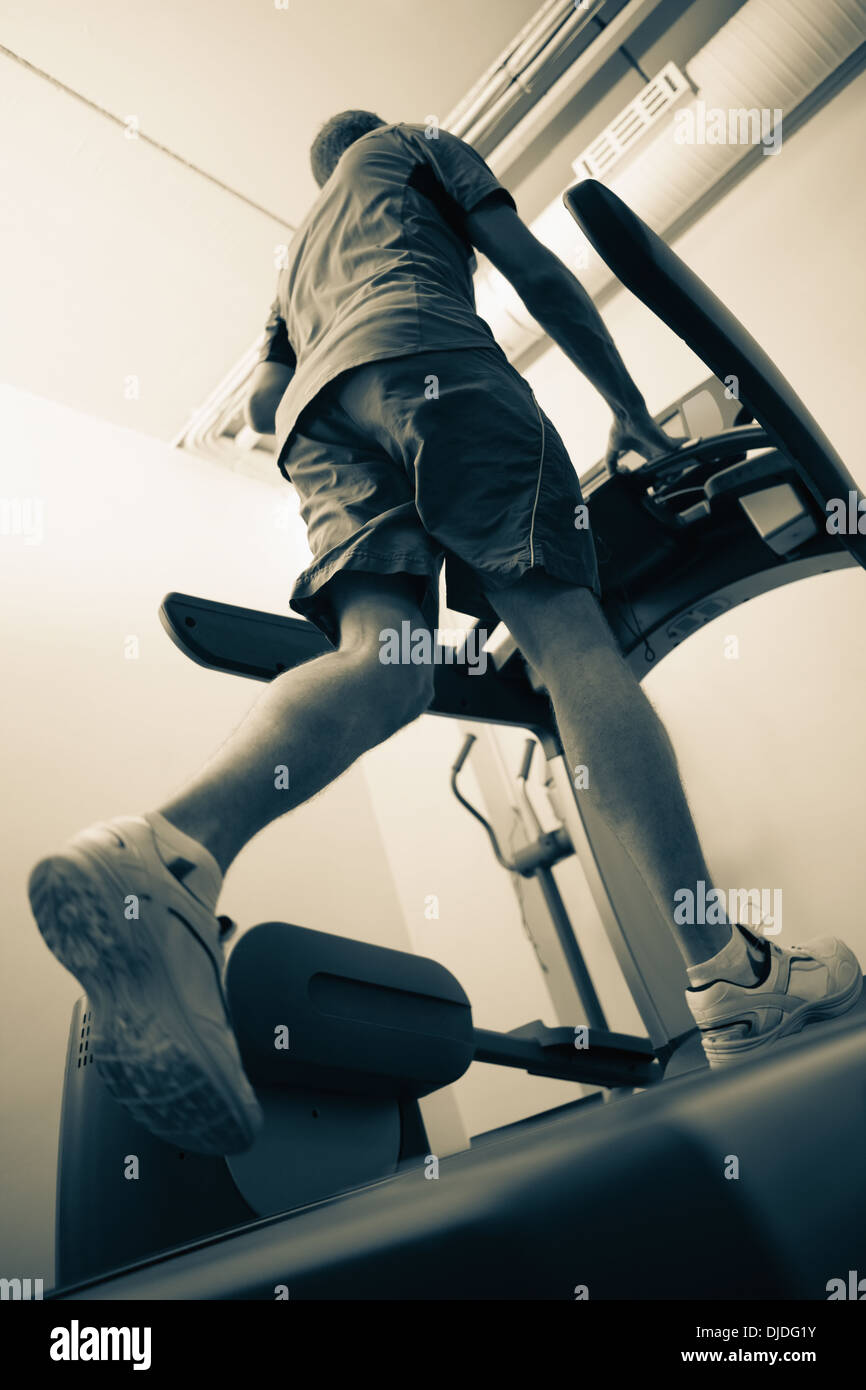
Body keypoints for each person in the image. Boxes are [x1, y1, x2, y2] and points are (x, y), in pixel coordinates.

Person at [29, 111, 862, 1156]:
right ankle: (729, 978)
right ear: (367, 139)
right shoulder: (413, 145)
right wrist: (627, 404)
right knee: (569, 644)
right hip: (428, 353)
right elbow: (538, 272)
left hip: (319, 429)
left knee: (384, 666)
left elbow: (261, 400)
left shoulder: (293, 260)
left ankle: (167, 855)